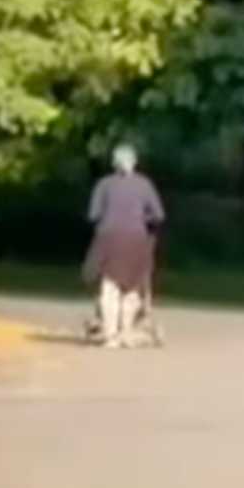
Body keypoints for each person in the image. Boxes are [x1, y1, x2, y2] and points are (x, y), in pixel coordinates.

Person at [83, 145, 164, 348]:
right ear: (134, 162)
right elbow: (159, 216)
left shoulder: (104, 184)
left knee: (109, 288)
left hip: (109, 239)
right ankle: (125, 331)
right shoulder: (145, 185)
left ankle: (111, 335)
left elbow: (93, 215)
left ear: (114, 163)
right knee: (133, 288)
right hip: (136, 240)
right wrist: (141, 219)